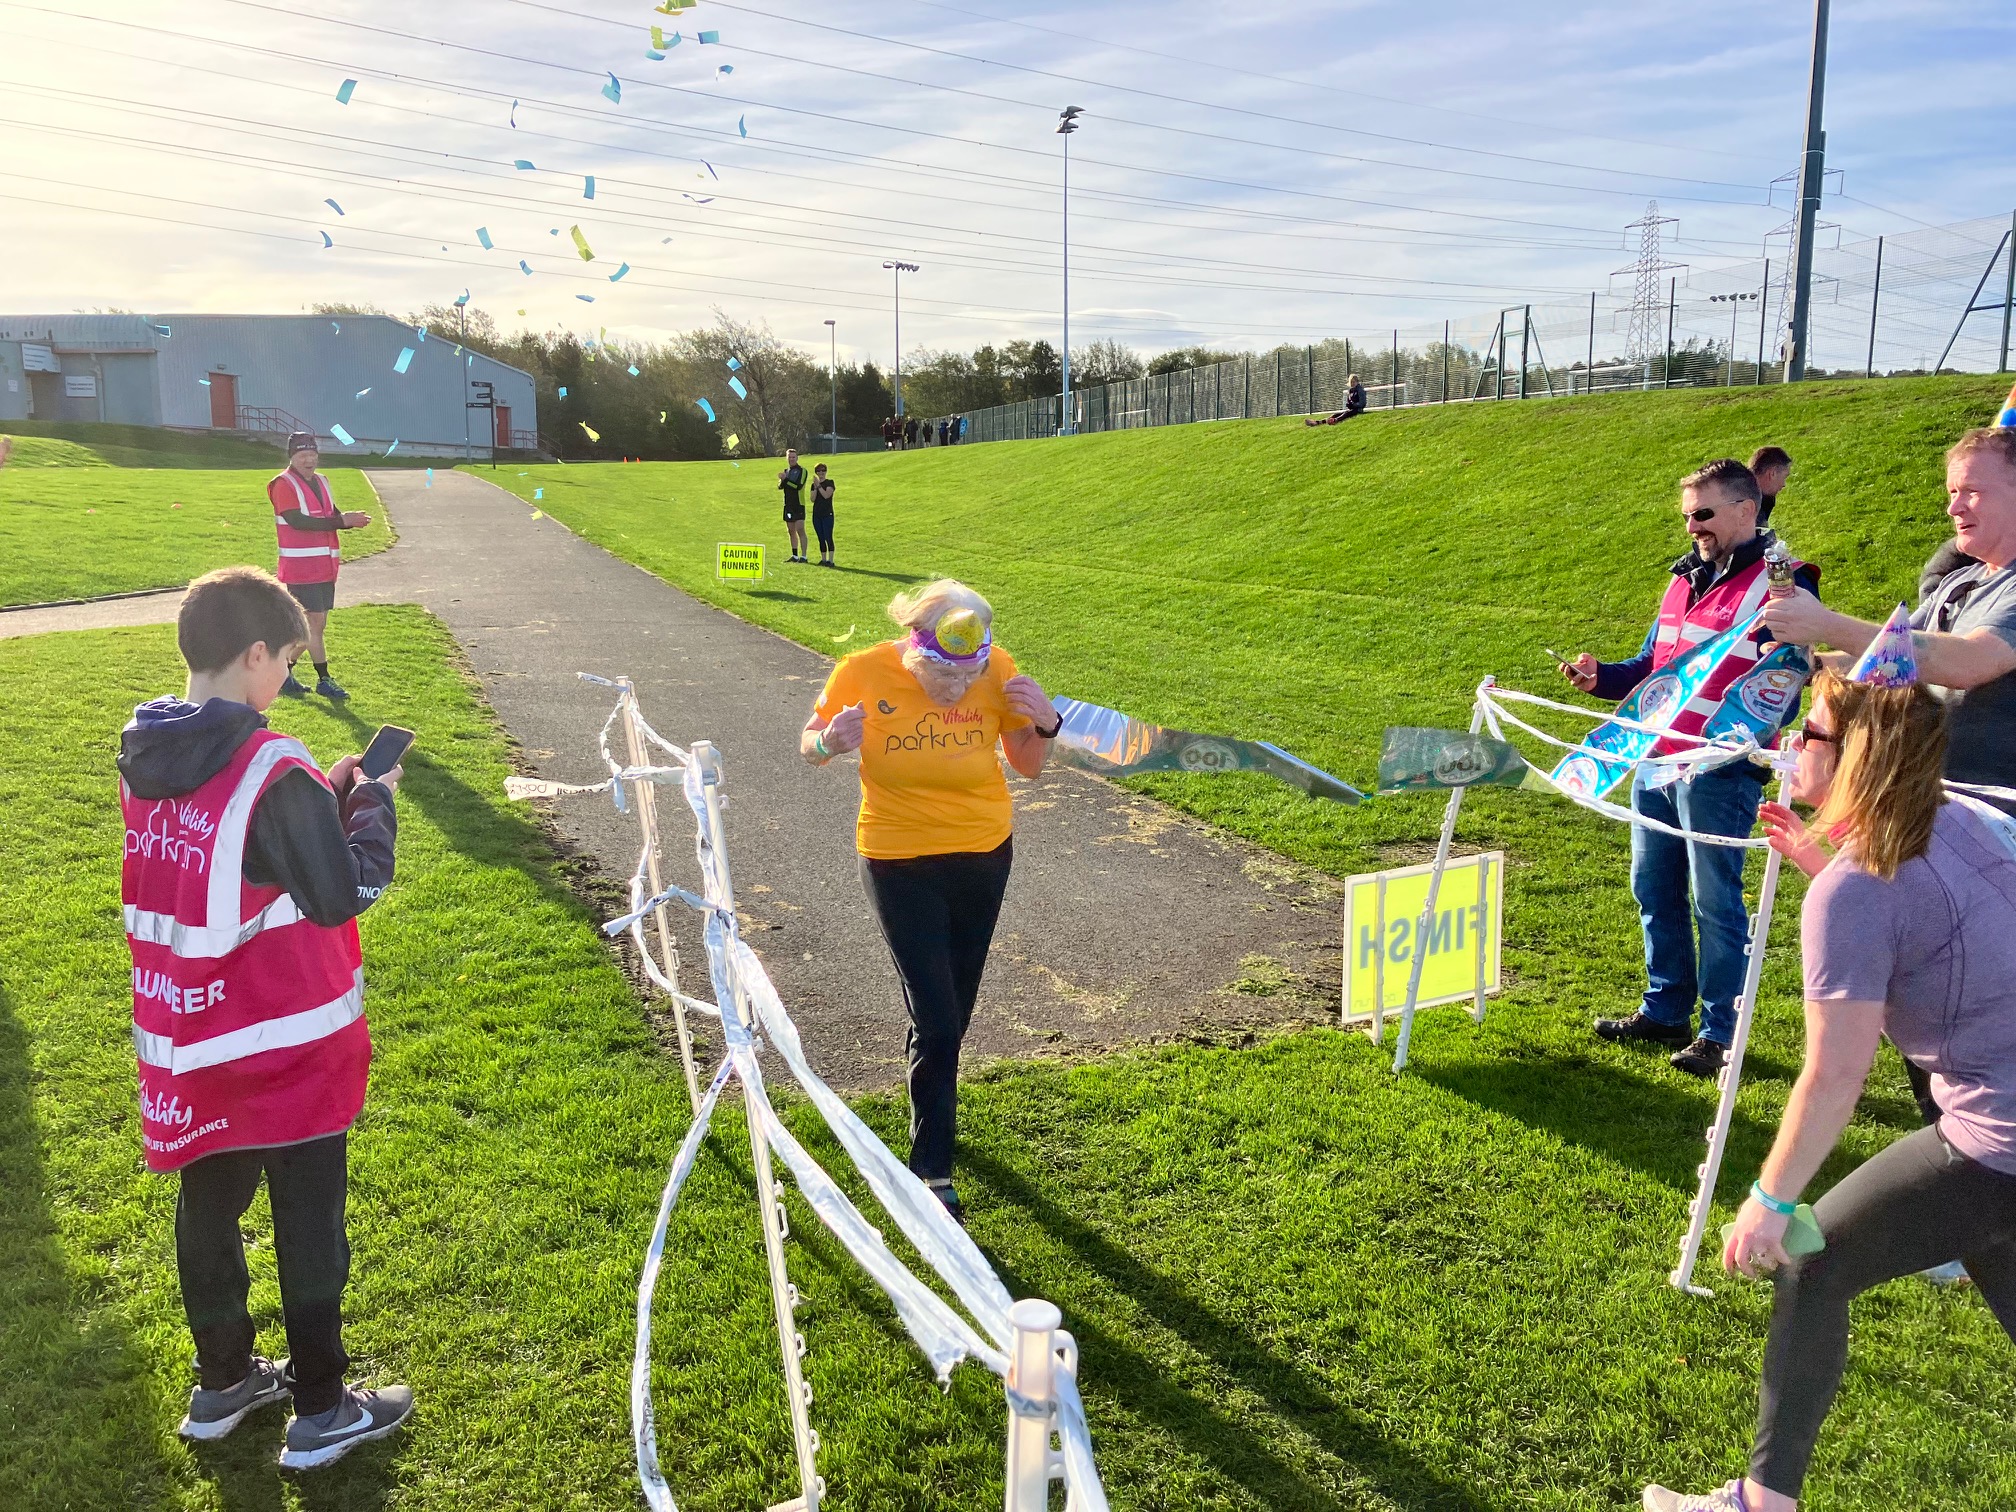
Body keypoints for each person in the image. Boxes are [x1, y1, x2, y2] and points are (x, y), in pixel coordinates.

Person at [1639, 662, 2016, 1512]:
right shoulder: (1953, 818)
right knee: (1986, 1232)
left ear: (1858, 755)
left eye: (1808, 732)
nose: (1788, 744)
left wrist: (1770, 1200)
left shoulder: (1857, 886)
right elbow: (1923, 918)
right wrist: (1821, 862)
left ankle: (1759, 1504)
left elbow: (1837, 1073)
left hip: (1997, 1136)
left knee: (1812, 1260)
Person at [119, 566, 412, 1469]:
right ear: (255, 654)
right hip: (287, 1038)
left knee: (208, 1204)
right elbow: (343, 890)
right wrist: (373, 799)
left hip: (192, 1034)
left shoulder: (147, 748)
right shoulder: (271, 764)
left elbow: (239, 847)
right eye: (286, 659)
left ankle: (222, 1380)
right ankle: (321, 1406)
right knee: (309, 1217)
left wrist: (317, 798)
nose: (286, 675)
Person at [799, 580, 1062, 1219]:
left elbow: (1027, 764)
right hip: (897, 857)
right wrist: (828, 743)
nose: (959, 685)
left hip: (984, 853)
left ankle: (930, 1094)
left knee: (952, 1012)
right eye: (945, 672)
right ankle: (932, 1171)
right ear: (916, 644)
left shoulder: (998, 668)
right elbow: (809, 743)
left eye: (970, 672)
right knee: (938, 1018)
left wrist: (1046, 724)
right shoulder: (863, 670)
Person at [1562, 459, 1821, 1077]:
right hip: (1654, 760)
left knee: (1715, 902)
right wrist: (1602, 678)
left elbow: (1787, 677)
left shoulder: (1783, 583)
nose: (1692, 527)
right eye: (1686, 516)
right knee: (1653, 889)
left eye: (1703, 514)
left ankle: (1720, 1032)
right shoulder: (1683, 580)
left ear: (1746, 509)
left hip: (1719, 772)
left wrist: (1728, 746)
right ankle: (1665, 1010)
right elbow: (1654, 668)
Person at [267, 432, 371, 701]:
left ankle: (282, 673)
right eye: (302, 455)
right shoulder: (283, 484)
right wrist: (341, 521)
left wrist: (350, 520)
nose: (309, 460)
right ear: (292, 457)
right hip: (301, 567)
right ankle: (323, 679)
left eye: (312, 454)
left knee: (314, 625)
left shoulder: (322, 481)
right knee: (314, 623)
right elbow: (298, 521)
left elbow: (331, 515)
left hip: (324, 565)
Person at [777, 446, 809, 563]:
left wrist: (785, 480)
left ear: (797, 458)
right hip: (788, 505)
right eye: (789, 457)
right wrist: (782, 480)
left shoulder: (802, 471)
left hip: (798, 504)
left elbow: (798, 486)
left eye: (793, 457)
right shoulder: (787, 471)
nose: (791, 459)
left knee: (800, 529)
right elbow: (780, 486)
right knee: (791, 530)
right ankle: (795, 555)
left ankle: (804, 556)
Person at [1750, 445, 1792, 528]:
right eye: (1784, 477)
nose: (1784, 484)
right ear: (1772, 473)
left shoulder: (1765, 499)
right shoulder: (1745, 502)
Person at [810, 462, 837, 567]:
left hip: (827, 514)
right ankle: (823, 559)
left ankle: (831, 560)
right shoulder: (814, 485)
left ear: (826, 471)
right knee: (820, 537)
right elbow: (812, 499)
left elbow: (826, 495)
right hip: (817, 514)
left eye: (823, 470)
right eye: (818, 471)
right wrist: (815, 487)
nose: (821, 473)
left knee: (828, 536)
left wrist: (819, 486)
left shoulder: (830, 483)